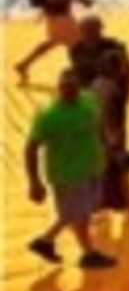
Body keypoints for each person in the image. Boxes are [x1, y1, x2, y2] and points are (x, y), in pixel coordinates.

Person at [24, 66, 116, 268]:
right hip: (67, 174)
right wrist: (34, 182)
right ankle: (89, 254)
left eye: (72, 85)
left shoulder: (89, 100)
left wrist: (106, 144)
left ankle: (45, 241)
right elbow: (31, 149)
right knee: (80, 214)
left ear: (78, 86)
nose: (69, 89)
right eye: (64, 86)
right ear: (58, 87)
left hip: (92, 168)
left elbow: (97, 123)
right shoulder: (49, 116)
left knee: (76, 211)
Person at [68, 16, 129, 213]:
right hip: (88, 104)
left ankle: (122, 191)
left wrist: (122, 96)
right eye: (86, 29)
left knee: (117, 146)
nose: (90, 33)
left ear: (101, 28)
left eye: (93, 29)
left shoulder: (115, 46)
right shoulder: (76, 49)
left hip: (112, 101)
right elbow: (78, 76)